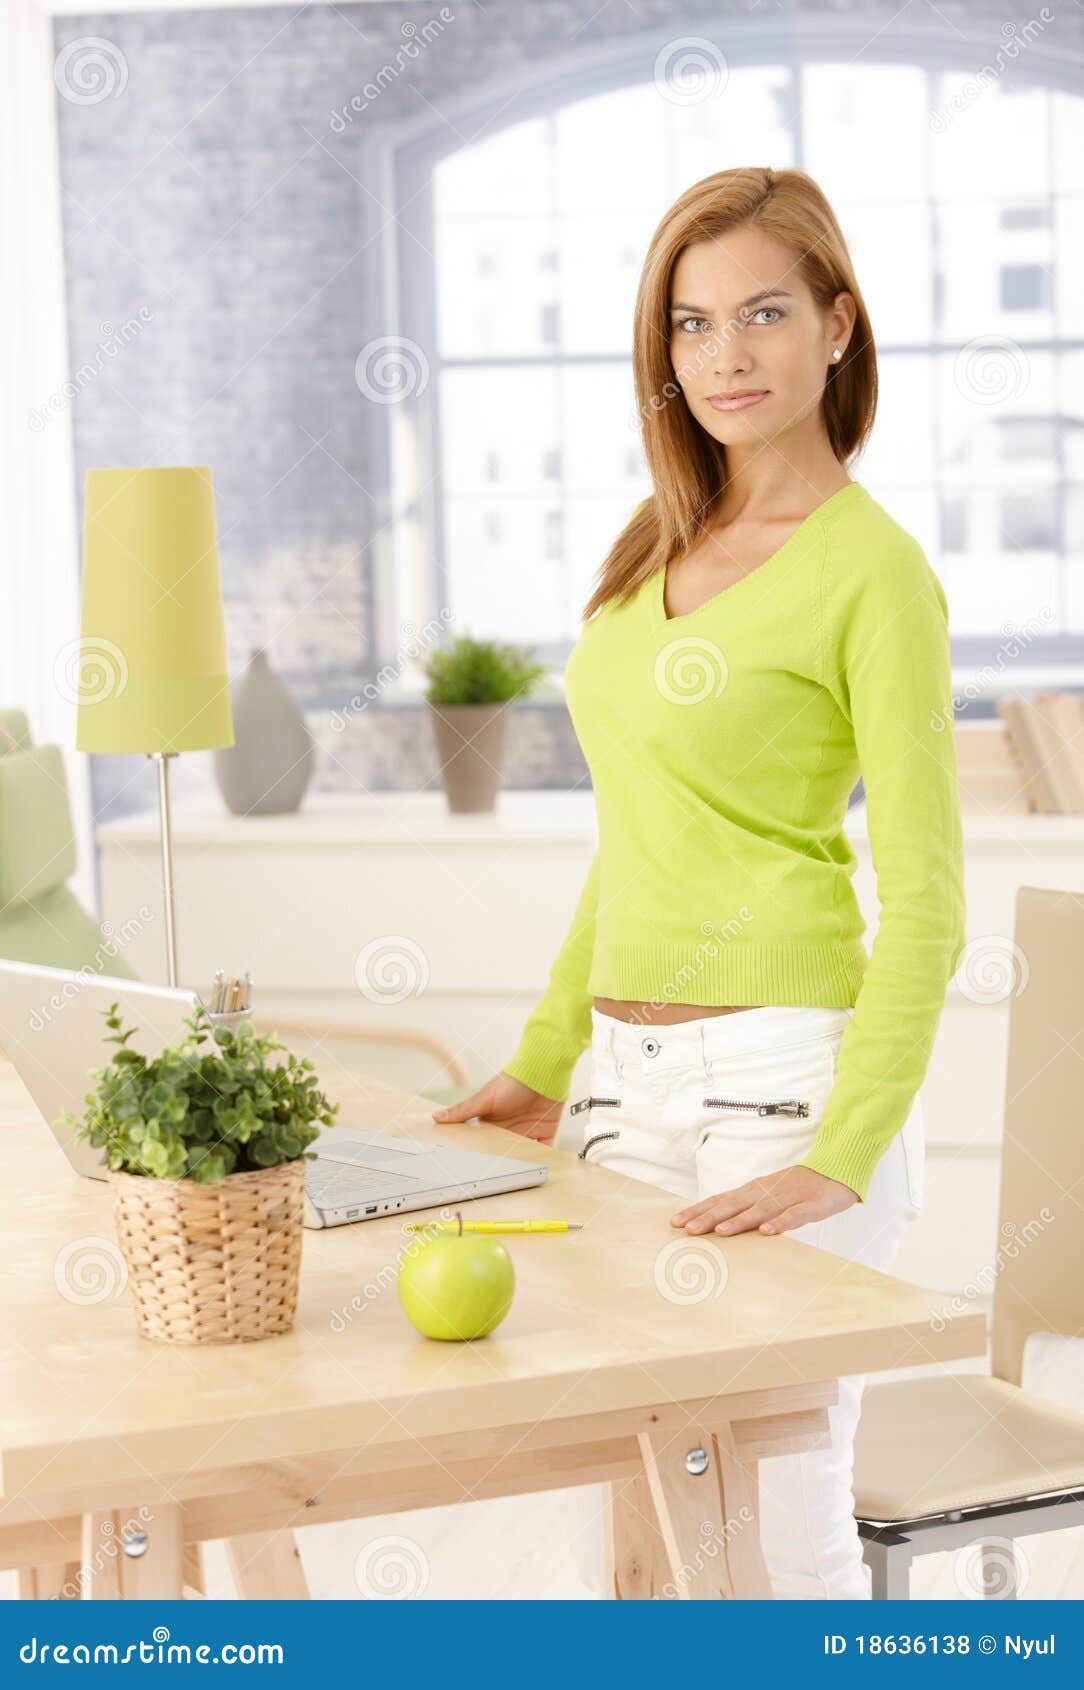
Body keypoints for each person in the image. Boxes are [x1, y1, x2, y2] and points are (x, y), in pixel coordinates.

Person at [433, 165, 966, 1600]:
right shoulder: (652, 548)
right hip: (623, 1083)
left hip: (781, 1082)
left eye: (766, 313)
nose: (726, 355)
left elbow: (926, 899)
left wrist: (844, 1151)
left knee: (773, 1522)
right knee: (636, 1522)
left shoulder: (876, 575)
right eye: (692, 322)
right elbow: (634, 838)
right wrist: (547, 1062)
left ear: (838, 327)